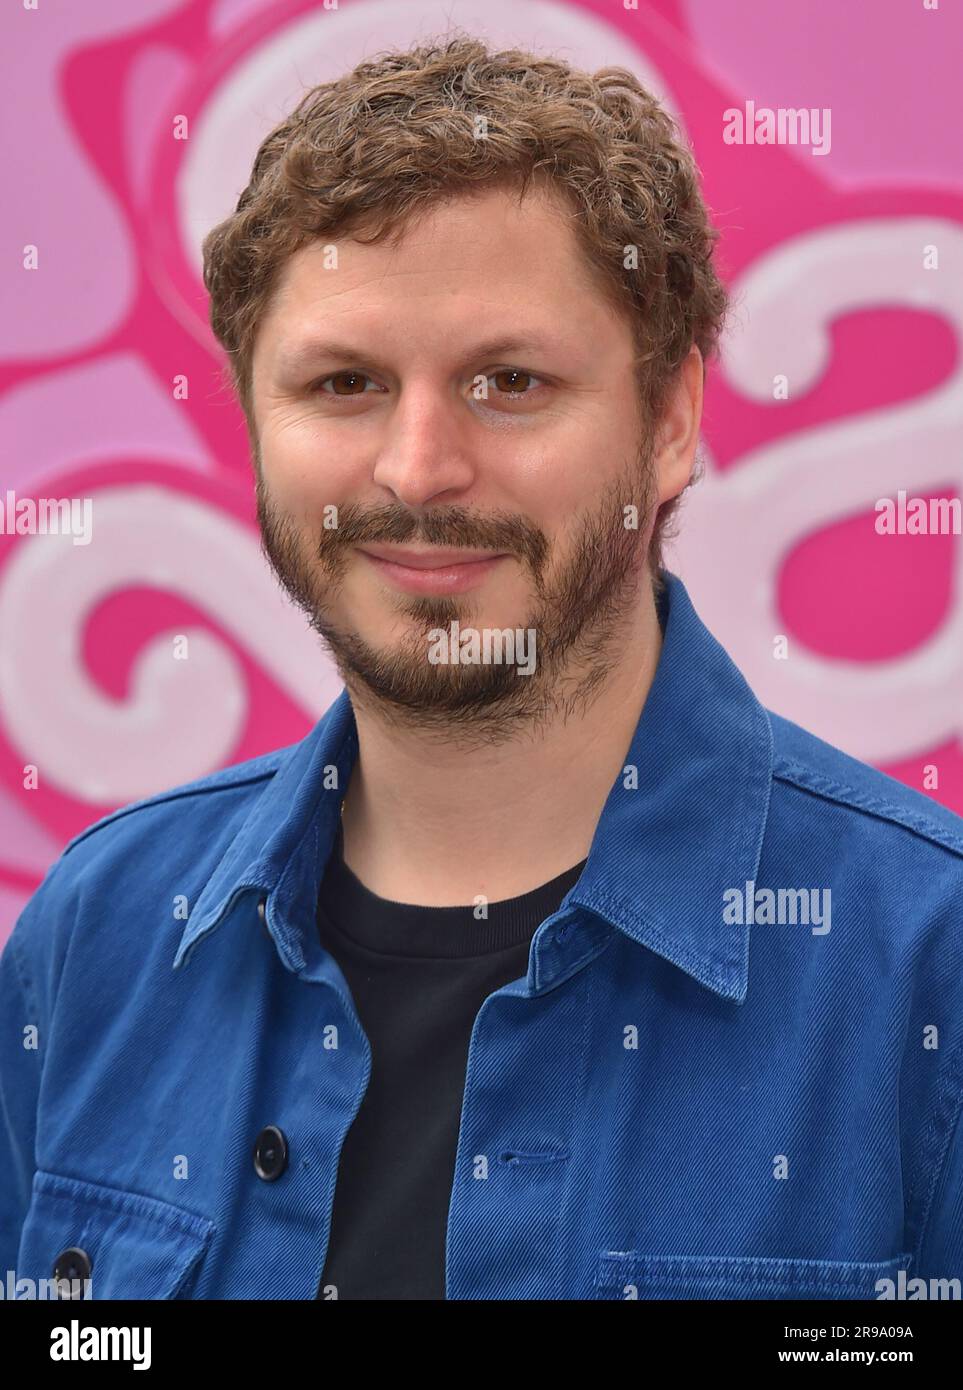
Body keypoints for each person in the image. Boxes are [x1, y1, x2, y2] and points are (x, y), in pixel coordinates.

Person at [2, 35, 961, 1302]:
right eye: (343, 383)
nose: (417, 468)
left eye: (509, 382)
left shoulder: (923, 960)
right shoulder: (102, 929)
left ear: (670, 422)